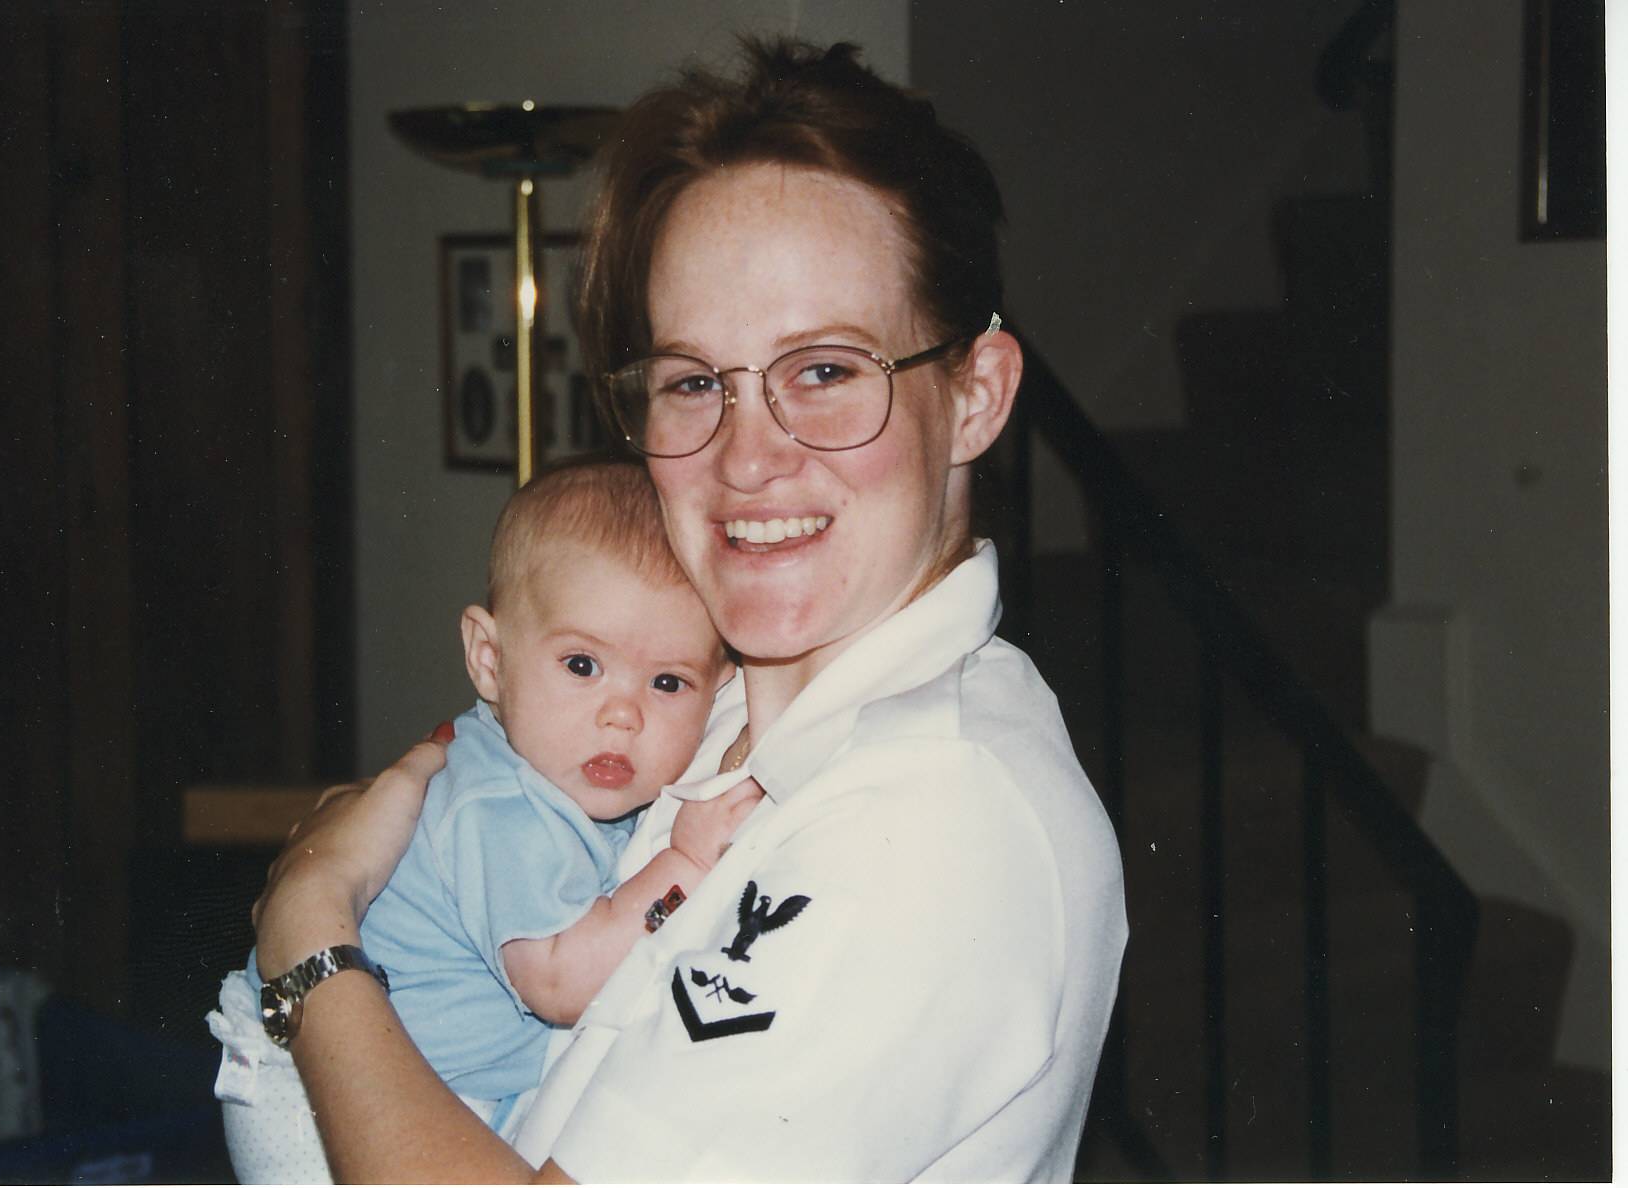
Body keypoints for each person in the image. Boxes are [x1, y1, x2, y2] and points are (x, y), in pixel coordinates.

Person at [251, 38, 1128, 1182]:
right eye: (692, 383)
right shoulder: (710, 708)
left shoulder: (937, 821)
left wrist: (311, 944)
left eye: (823, 371)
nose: (747, 459)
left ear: (976, 396)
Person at [209, 462, 746, 1181]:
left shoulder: (560, 774)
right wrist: (685, 868)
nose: (624, 714)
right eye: (583, 664)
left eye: (668, 682)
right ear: (489, 659)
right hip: (303, 1089)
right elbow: (556, 982)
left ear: (721, 689)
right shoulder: (501, 804)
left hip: (406, 1067)